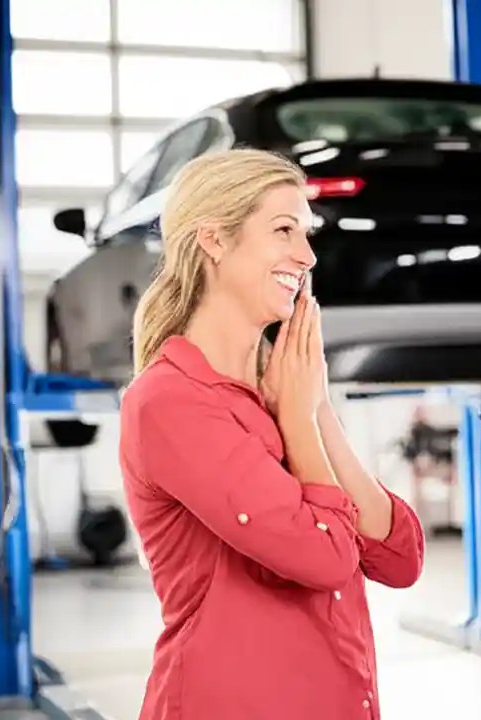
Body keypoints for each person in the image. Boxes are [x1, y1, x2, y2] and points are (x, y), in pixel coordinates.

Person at [119, 149, 425, 720]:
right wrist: (299, 419)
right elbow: (327, 557)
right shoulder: (171, 402)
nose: (306, 256)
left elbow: (398, 559)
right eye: (284, 229)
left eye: (307, 234)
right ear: (213, 240)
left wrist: (316, 408)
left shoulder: (283, 394)